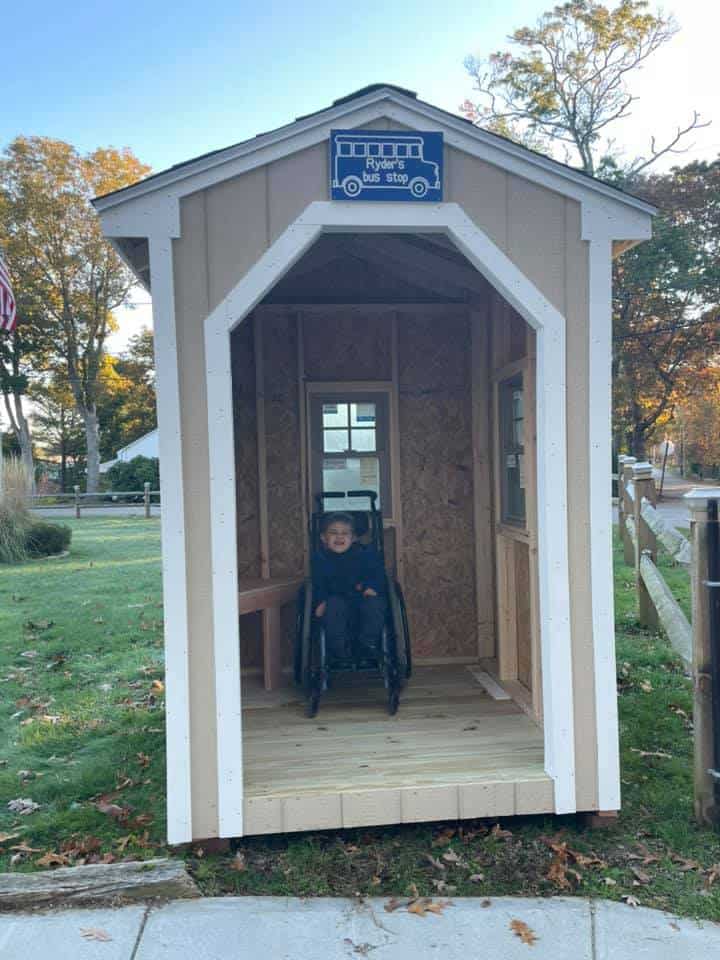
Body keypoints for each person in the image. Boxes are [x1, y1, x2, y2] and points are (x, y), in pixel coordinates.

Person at [312, 512, 386, 659]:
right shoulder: (321, 559)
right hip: (337, 603)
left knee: (375, 604)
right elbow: (318, 584)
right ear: (323, 538)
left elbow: (378, 574)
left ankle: (368, 645)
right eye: (333, 533)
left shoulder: (365, 555)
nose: (339, 537)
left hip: (362, 600)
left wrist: (371, 587)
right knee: (333, 605)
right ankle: (339, 649)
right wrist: (320, 601)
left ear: (353, 538)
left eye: (345, 533)